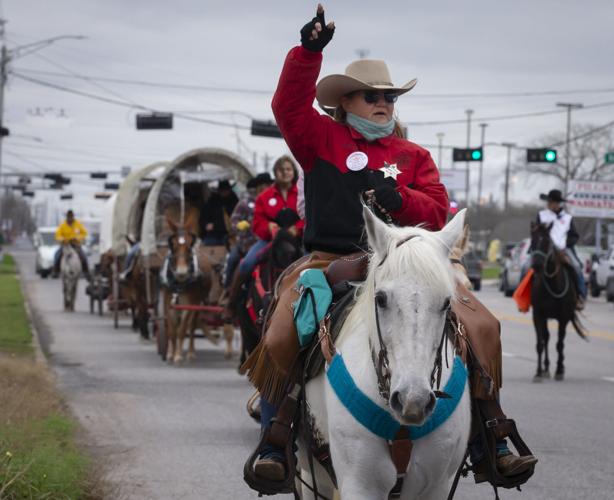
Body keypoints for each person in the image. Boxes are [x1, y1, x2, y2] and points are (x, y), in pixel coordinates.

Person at [243, 4, 536, 486]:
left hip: (407, 261)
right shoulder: (319, 137)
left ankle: (492, 434)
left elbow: (439, 210)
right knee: (279, 332)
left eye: (390, 97)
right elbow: (287, 108)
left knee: (483, 326)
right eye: (371, 96)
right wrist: (307, 53)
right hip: (330, 261)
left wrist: (402, 198)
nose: (383, 103)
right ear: (346, 103)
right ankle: (276, 435)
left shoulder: (412, 154)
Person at [225, 158, 303, 319]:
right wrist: (268, 227)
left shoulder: (303, 193)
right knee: (246, 263)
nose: (285, 172)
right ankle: (231, 304)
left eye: (288, 169)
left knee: (317, 264)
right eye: (281, 170)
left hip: (298, 239)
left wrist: (299, 227)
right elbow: (257, 222)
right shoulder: (264, 197)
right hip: (269, 240)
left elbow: (310, 215)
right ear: (276, 173)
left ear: (293, 172)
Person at [535, 189, 586, 306]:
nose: (549, 204)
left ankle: (580, 296)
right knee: (528, 266)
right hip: (545, 249)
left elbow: (574, 236)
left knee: (577, 267)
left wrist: (565, 244)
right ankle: (526, 299)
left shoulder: (568, 218)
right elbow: (537, 233)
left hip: (564, 249)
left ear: (558, 203)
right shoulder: (541, 215)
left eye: (552, 202)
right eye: (548, 202)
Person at [224, 172, 273, 291]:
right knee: (232, 259)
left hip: (269, 243)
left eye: (267, 186)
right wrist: (239, 225)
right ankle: (228, 288)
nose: (264, 190)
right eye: (261, 187)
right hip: (246, 244)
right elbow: (233, 221)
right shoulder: (245, 203)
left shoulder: (272, 203)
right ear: (256, 189)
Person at [198, 180, 238, 246]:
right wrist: (206, 225)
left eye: (226, 190)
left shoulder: (235, 201)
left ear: (230, 190)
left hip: (231, 234)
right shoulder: (211, 202)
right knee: (206, 245)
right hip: (214, 235)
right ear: (219, 191)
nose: (224, 192)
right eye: (222, 190)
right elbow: (202, 219)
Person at [53, 210, 90, 279]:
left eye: (71, 217)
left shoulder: (78, 224)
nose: (70, 218)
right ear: (66, 217)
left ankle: (86, 272)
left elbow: (84, 233)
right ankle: (56, 271)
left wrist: (77, 238)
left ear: (73, 217)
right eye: (68, 217)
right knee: (57, 254)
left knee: (83, 256)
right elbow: (57, 235)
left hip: (75, 245)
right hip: (66, 245)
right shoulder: (62, 225)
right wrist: (62, 239)